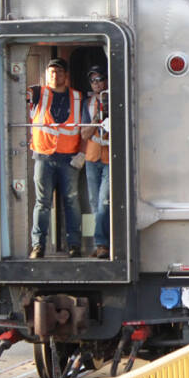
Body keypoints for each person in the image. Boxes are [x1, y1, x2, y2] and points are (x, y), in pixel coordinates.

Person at [28, 58, 83, 258]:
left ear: (65, 75)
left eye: (59, 72)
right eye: (51, 71)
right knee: (42, 203)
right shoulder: (36, 93)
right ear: (46, 74)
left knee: (72, 201)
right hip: (43, 156)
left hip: (69, 158)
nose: (55, 75)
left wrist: (82, 154)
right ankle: (38, 246)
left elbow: (84, 127)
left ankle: (74, 246)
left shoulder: (78, 97)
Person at [80, 66, 110, 259]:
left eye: (100, 79)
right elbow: (83, 134)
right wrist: (98, 119)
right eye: (93, 80)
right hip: (92, 157)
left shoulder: (117, 99)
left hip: (110, 158)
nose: (97, 83)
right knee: (94, 202)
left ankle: (102, 244)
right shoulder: (88, 104)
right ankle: (101, 243)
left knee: (103, 202)